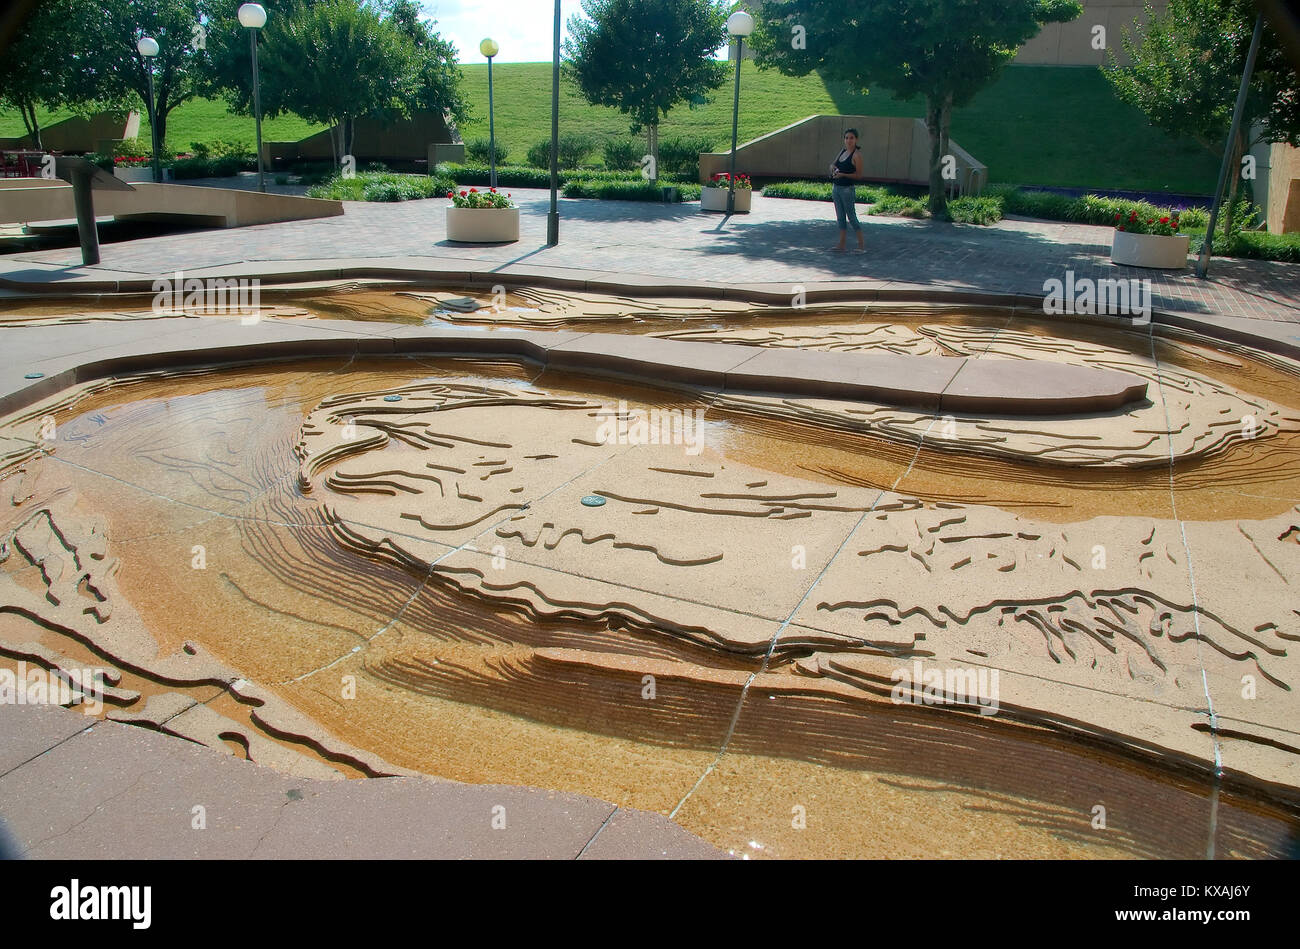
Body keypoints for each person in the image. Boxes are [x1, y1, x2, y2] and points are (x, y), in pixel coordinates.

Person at [829, 128, 865, 252]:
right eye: (846, 138)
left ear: (856, 139)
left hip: (847, 190)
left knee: (851, 216)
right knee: (840, 216)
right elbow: (833, 164)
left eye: (851, 138)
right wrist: (833, 168)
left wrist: (843, 174)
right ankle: (842, 244)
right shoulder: (842, 151)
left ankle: (861, 245)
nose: (849, 140)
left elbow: (859, 175)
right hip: (836, 188)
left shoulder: (856, 155)